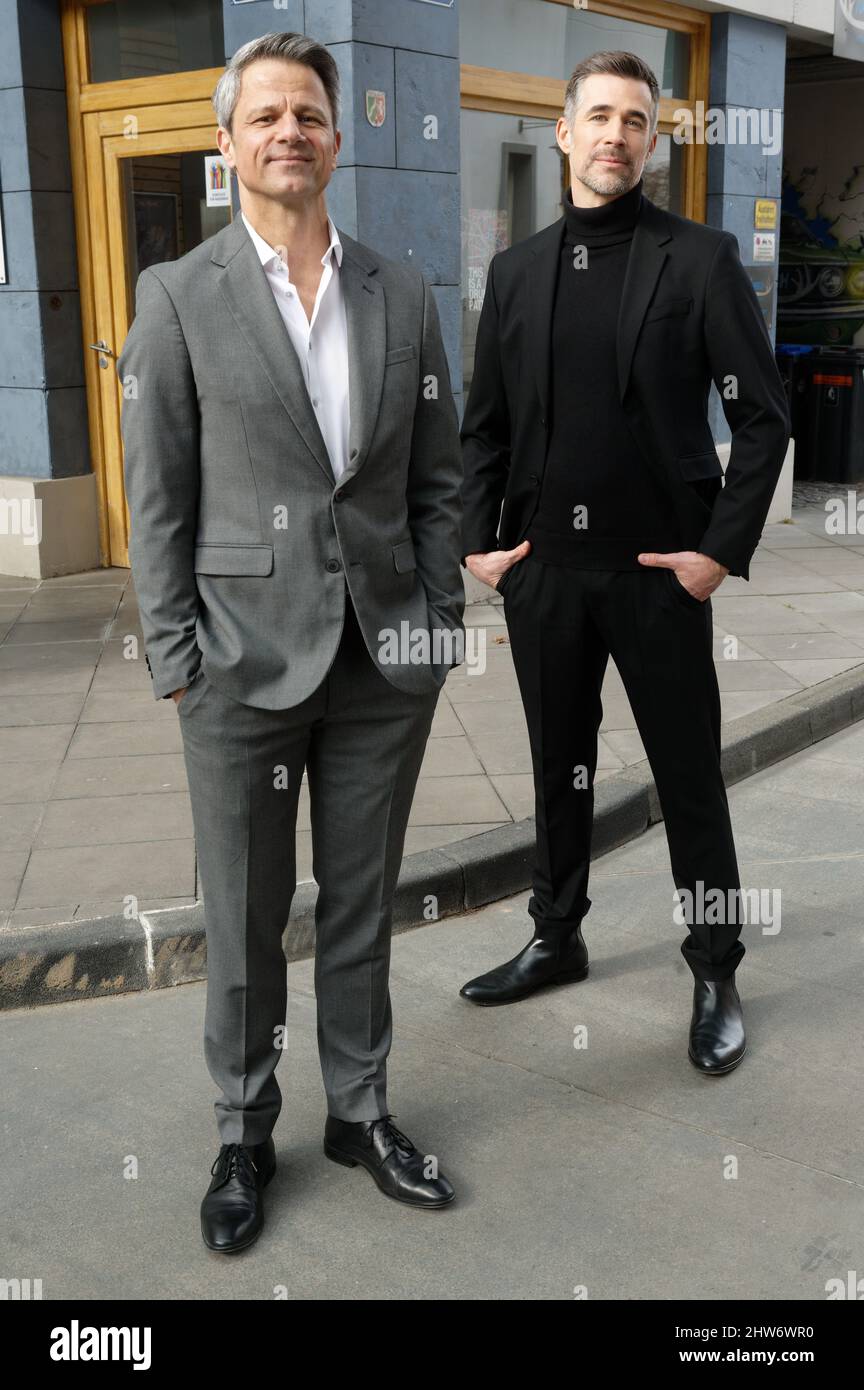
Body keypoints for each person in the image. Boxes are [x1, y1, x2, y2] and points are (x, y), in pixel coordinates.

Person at [117, 31, 464, 1253]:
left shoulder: (401, 292)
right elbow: (154, 495)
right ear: (226, 145)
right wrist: (176, 658)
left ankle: (360, 1111)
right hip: (238, 666)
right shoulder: (175, 296)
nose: (288, 132)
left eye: (308, 113)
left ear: (335, 134)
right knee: (250, 915)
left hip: (382, 663)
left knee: (363, 902)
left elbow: (438, 479)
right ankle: (244, 1128)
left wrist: (435, 623)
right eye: (263, 115)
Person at [458, 50, 790, 1077]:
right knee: (559, 765)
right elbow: (485, 428)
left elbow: (763, 419)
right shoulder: (516, 273)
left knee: (689, 774)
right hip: (545, 574)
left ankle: (716, 963)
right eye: (597, 116)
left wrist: (715, 555)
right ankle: (558, 936)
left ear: (652, 141)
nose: (615, 134)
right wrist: (481, 544)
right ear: (563, 132)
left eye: (635, 121)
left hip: (657, 573)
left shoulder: (697, 259)